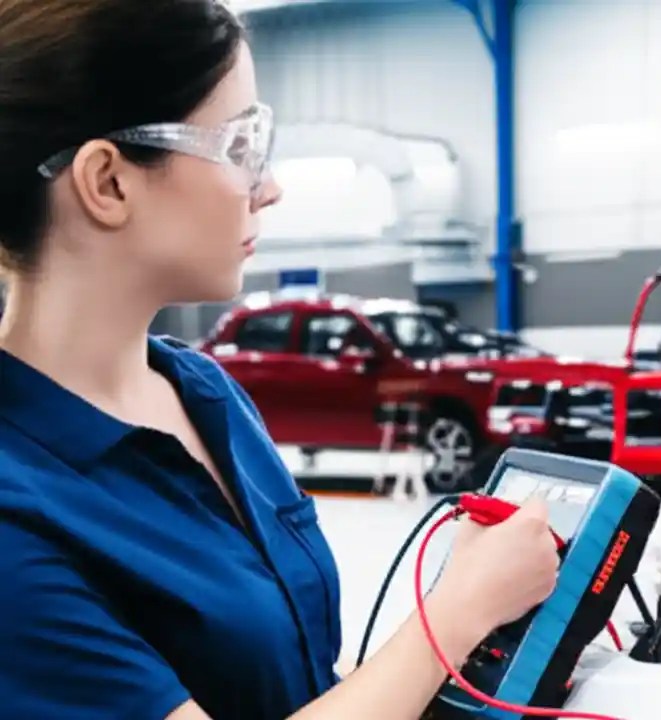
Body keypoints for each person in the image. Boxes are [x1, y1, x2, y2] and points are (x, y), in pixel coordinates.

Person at [0, 1, 561, 718]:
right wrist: (454, 615)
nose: (268, 188)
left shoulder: (205, 394)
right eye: (239, 148)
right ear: (109, 182)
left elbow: (290, 686)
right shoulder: (15, 516)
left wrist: (467, 659)